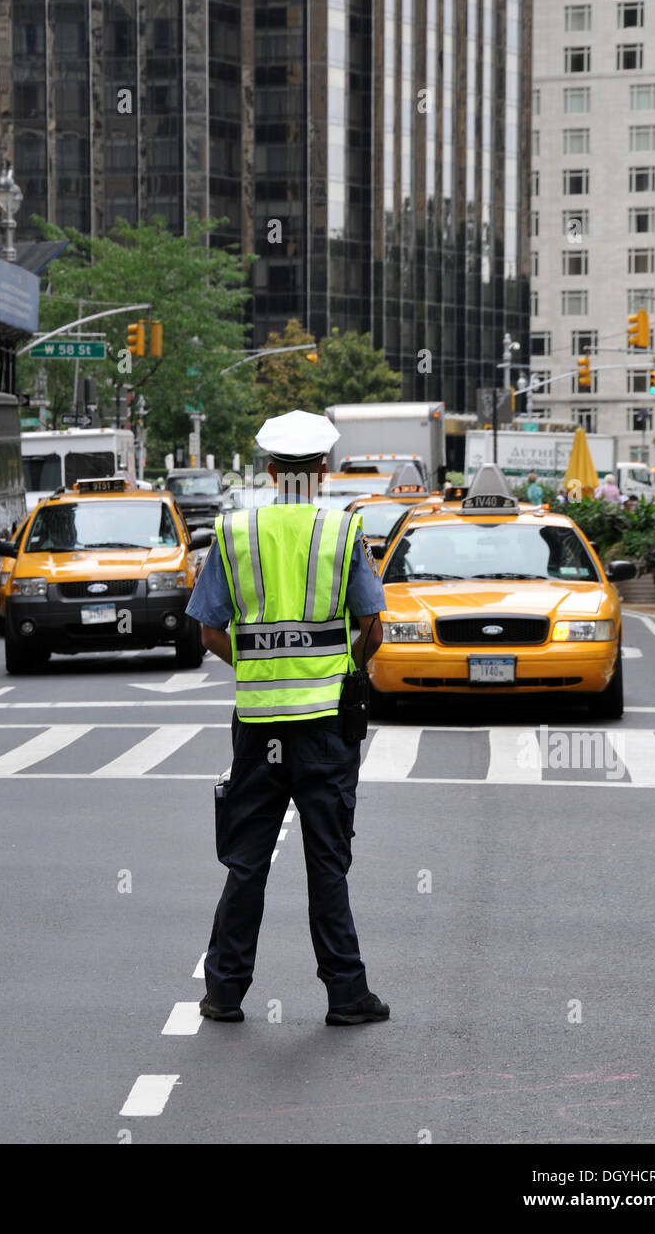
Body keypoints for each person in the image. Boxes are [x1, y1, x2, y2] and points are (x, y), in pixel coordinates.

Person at [185, 409, 389, 1027]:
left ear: (272, 471)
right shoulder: (342, 533)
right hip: (326, 724)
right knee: (328, 861)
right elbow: (372, 629)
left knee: (247, 860)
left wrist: (255, 669)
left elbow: (209, 631)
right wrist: (338, 670)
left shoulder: (235, 532)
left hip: (258, 727)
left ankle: (224, 993)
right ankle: (346, 995)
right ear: (321, 472)